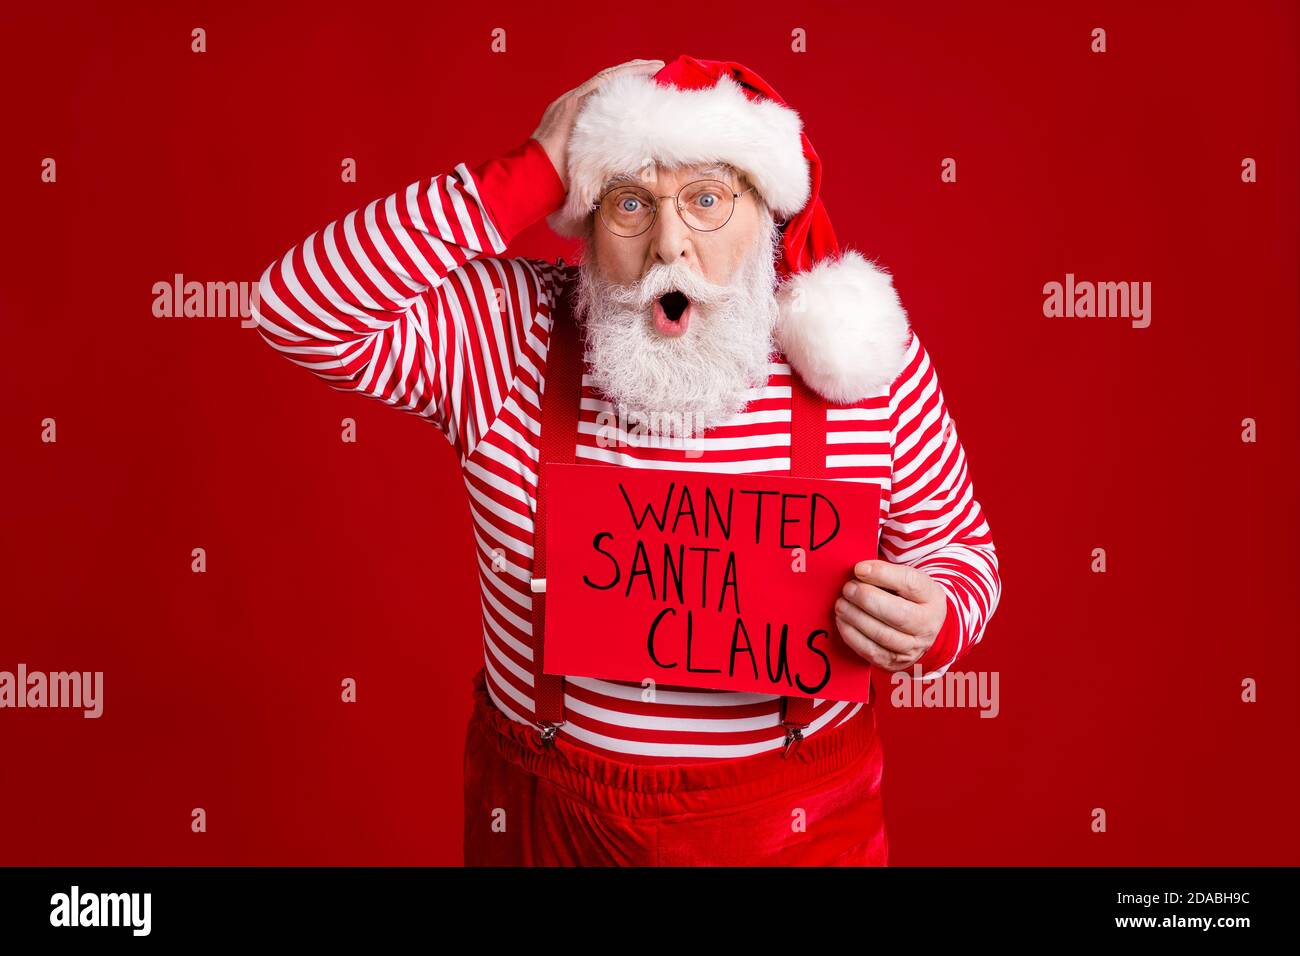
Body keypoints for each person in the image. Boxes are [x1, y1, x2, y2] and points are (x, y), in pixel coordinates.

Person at [252, 55, 1002, 866]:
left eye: (707, 200)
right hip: (548, 821)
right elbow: (294, 310)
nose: (668, 245)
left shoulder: (860, 364)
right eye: (632, 203)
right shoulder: (506, 336)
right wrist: (528, 171)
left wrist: (933, 624)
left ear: (768, 215)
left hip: (792, 826)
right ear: (586, 217)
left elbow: (965, 560)